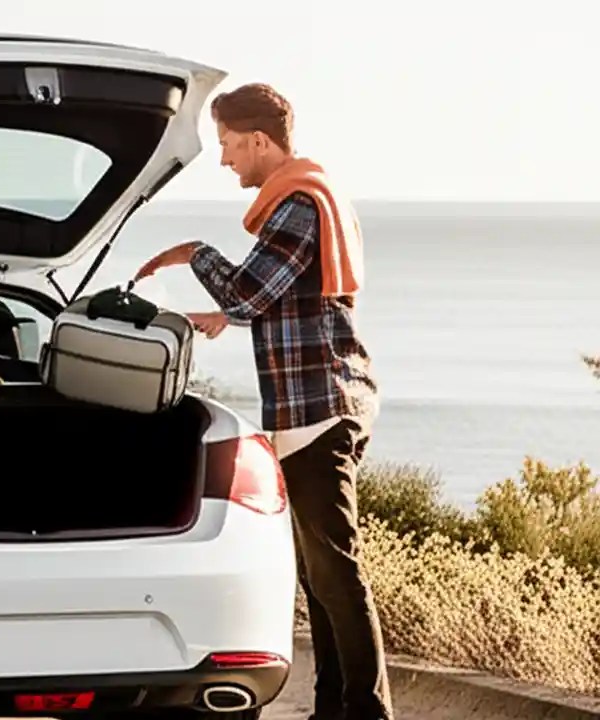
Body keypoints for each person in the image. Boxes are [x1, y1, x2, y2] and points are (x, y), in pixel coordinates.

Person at [134, 83, 391, 720]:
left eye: (226, 144)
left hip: (318, 410)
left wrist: (197, 254)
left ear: (258, 139)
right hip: (322, 405)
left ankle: (368, 711)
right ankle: (333, 708)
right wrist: (224, 313)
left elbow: (252, 293)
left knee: (335, 571)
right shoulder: (305, 199)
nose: (225, 160)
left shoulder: (299, 204)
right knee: (320, 576)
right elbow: (274, 300)